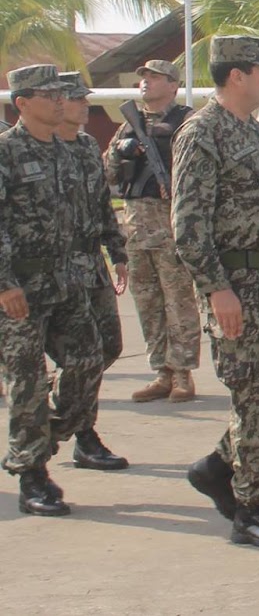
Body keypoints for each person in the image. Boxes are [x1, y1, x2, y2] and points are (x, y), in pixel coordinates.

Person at [172, 36, 259, 548]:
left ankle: (218, 464)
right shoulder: (203, 133)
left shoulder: (252, 132)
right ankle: (251, 507)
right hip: (237, 285)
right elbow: (189, 225)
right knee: (254, 396)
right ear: (236, 75)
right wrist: (216, 290)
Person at [1, 65, 108, 516]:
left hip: (69, 281)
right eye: (47, 94)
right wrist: (4, 283)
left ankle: (54, 432)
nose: (60, 100)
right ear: (22, 103)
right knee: (27, 383)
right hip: (22, 289)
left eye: (60, 93)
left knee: (88, 362)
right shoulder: (6, 152)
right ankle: (33, 475)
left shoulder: (68, 152)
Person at [104, 58, 199, 404]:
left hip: (170, 226)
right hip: (135, 228)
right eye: (143, 77)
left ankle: (183, 373)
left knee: (179, 302)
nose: (146, 83)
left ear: (173, 86)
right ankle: (162, 371)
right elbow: (109, 174)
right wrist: (122, 150)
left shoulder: (186, 122)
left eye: (156, 78)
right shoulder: (128, 124)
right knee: (147, 303)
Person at [56, 72, 131, 471]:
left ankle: (66, 407)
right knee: (79, 356)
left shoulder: (87, 146)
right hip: (54, 273)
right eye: (76, 99)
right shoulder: (30, 149)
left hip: (92, 265)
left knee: (109, 346)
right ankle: (81, 433)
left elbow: (102, 204)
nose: (85, 105)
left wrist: (117, 250)